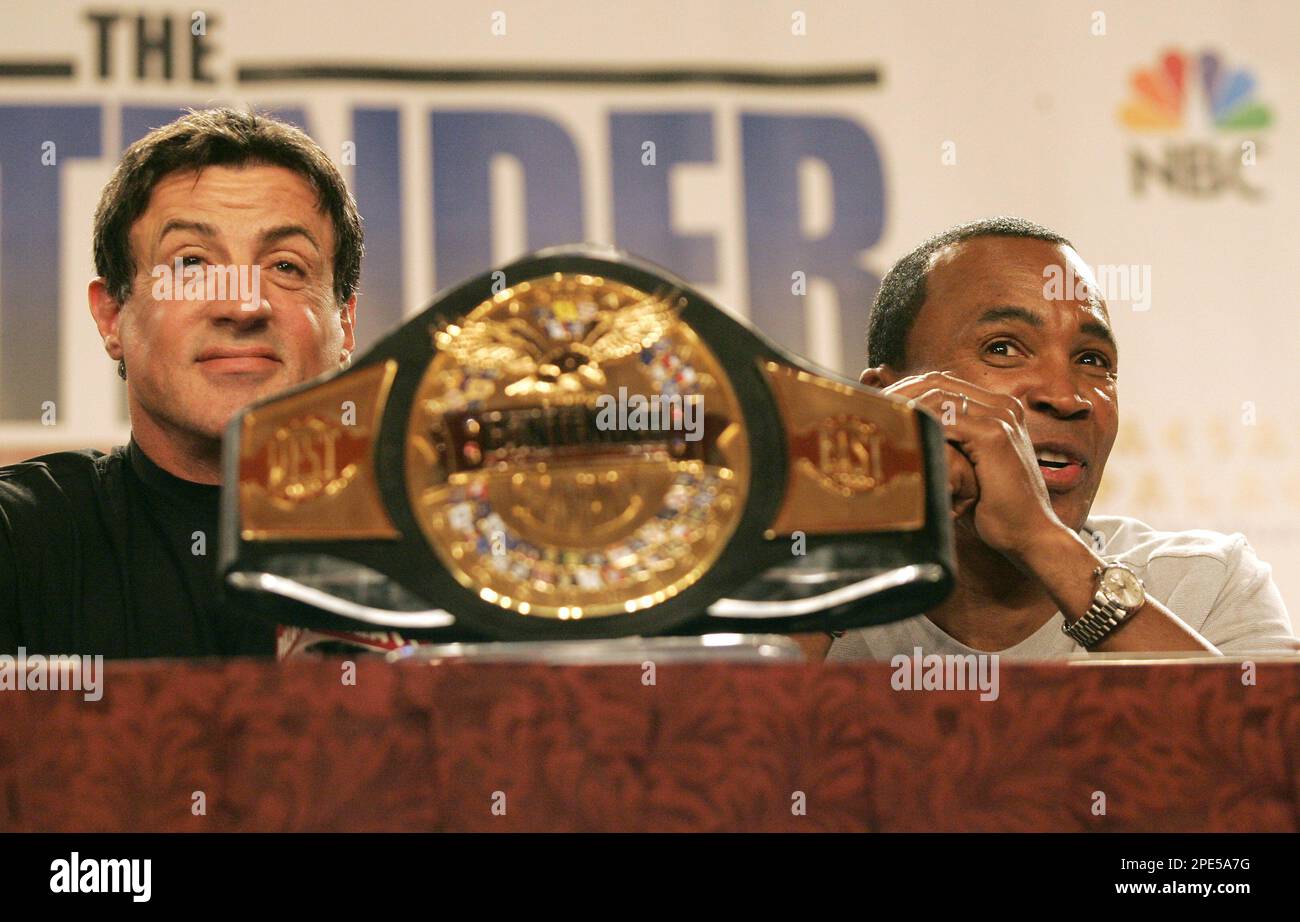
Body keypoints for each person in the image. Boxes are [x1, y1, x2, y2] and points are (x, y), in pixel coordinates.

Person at [811, 217, 1295, 662]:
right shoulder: (804, 588)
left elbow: (1260, 752)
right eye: (1002, 348)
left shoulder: (1203, 583)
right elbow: (740, 743)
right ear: (884, 401)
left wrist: (1040, 542)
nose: (1066, 397)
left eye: (1091, 359)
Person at [0, 107, 361, 658]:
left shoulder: (453, 552)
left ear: (346, 323)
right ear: (112, 316)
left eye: (286, 266)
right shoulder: (18, 540)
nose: (242, 304)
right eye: (191, 263)